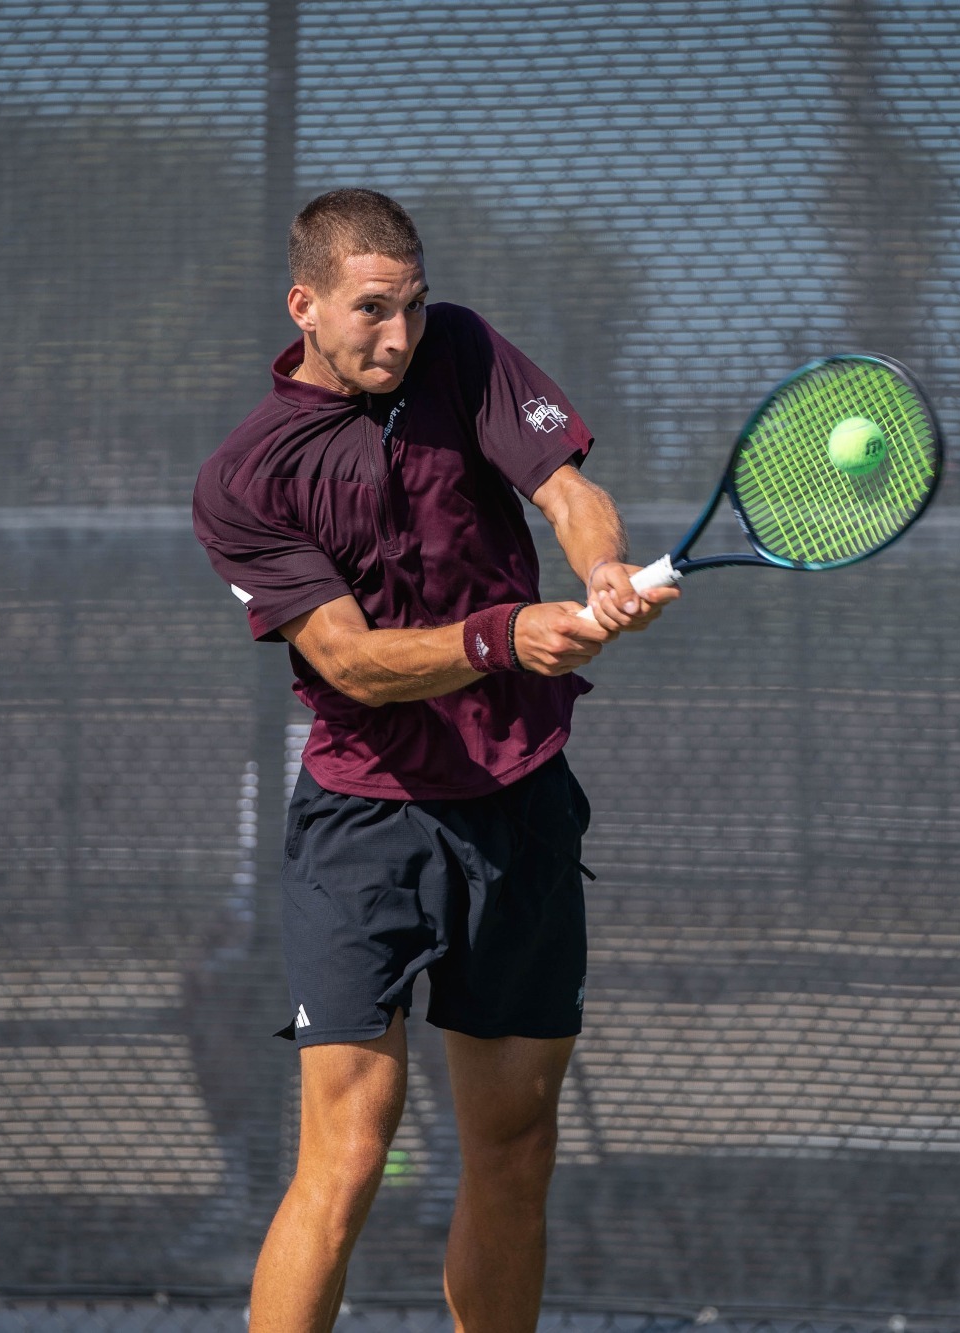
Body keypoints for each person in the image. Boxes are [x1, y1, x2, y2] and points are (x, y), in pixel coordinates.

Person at [191, 188, 675, 1333]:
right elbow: (350, 663)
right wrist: (501, 635)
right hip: (366, 827)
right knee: (350, 1154)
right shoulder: (245, 479)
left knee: (513, 1148)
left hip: (519, 804)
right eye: (371, 310)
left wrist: (601, 568)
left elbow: (566, 489)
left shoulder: (457, 349)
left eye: (408, 304)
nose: (398, 335)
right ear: (303, 305)